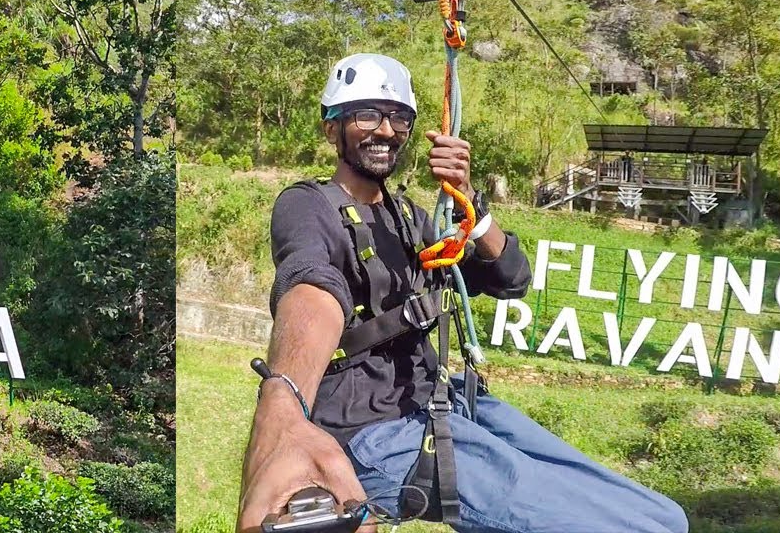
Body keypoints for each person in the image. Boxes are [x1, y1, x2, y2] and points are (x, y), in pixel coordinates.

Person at [237, 53, 688, 533]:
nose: (386, 130)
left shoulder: (411, 218)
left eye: (399, 119)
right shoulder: (308, 206)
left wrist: (467, 199)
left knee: (666, 517)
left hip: (444, 403)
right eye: (367, 114)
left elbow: (510, 279)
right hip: (372, 431)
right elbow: (312, 285)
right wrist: (285, 406)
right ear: (333, 129)